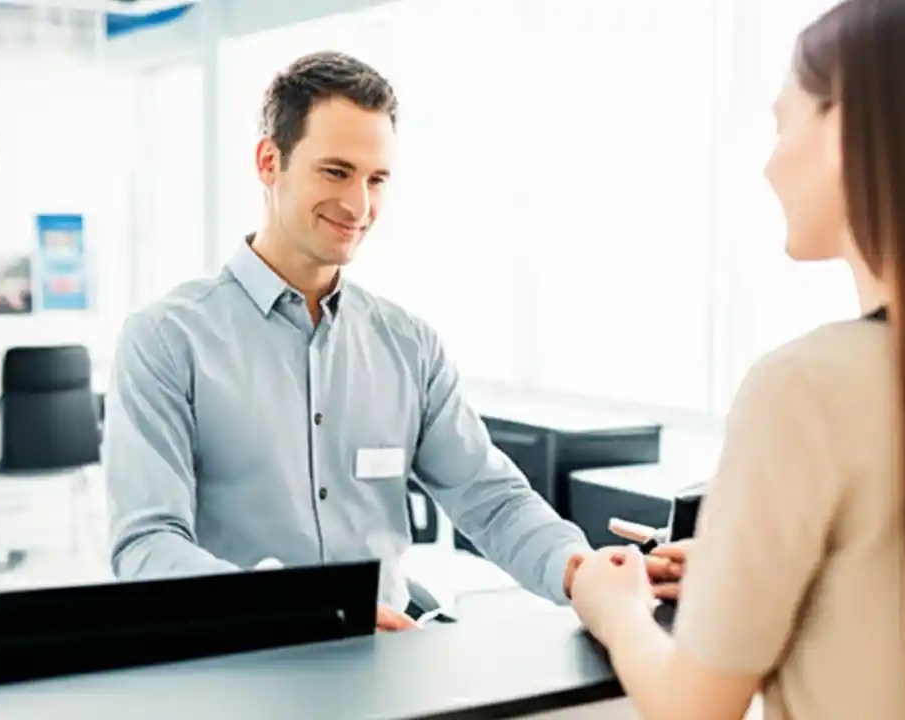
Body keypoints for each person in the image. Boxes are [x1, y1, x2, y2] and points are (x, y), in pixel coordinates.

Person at [569, 1, 905, 718]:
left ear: (846, 128)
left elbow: (691, 708)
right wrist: (748, 578)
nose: (768, 164)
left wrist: (614, 609)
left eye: (782, 121)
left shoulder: (805, 386)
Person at [103, 51, 593, 631]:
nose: (359, 206)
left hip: (387, 666)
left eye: (376, 179)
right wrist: (293, 612)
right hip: (238, 666)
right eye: (335, 172)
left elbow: (493, 500)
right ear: (269, 161)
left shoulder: (409, 347)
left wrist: (583, 572)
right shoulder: (166, 340)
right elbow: (147, 544)